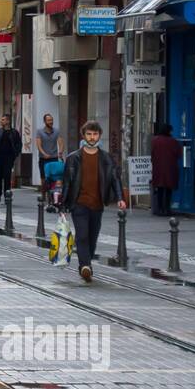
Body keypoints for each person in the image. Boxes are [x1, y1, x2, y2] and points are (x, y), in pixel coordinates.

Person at [62, 120, 126, 283]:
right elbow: (67, 183)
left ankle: (86, 261)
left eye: (95, 134)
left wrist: (120, 198)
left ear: (99, 136)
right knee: (82, 235)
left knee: (92, 237)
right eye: (89, 134)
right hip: (79, 204)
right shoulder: (73, 158)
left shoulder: (106, 158)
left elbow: (114, 178)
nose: (92, 137)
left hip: (97, 204)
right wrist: (63, 205)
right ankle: (85, 266)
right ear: (83, 135)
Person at [149, 122, 182, 217]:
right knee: (168, 190)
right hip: (170, 168)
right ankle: (167, 209)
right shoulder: (173, 142)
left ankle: (159, 209)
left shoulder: (155, 141)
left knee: (159, 189)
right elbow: (178, 154)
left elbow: (152, 154)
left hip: (158, 168)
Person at [0, 113, 22, 204]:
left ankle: (6, 194)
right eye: (1, 119)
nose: (1, 121)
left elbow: (19, 144)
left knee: (7, 177)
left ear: (8, 121)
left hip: (9, 158)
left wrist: (15, 154)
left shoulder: (14, 133)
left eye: (3, 120)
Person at [35, 113, 63, 186]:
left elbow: (60, 142)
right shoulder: (40, 131)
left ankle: (53, 193)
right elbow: (39, 145)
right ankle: (43, 195)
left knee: (54, 177)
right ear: (45, 121)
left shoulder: (57, 131)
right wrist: (44, 154)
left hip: (54, 157)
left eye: (51, 120)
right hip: (43, 158)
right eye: (49, 120)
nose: (51, 122)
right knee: (43, 177)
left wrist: (60, 152)